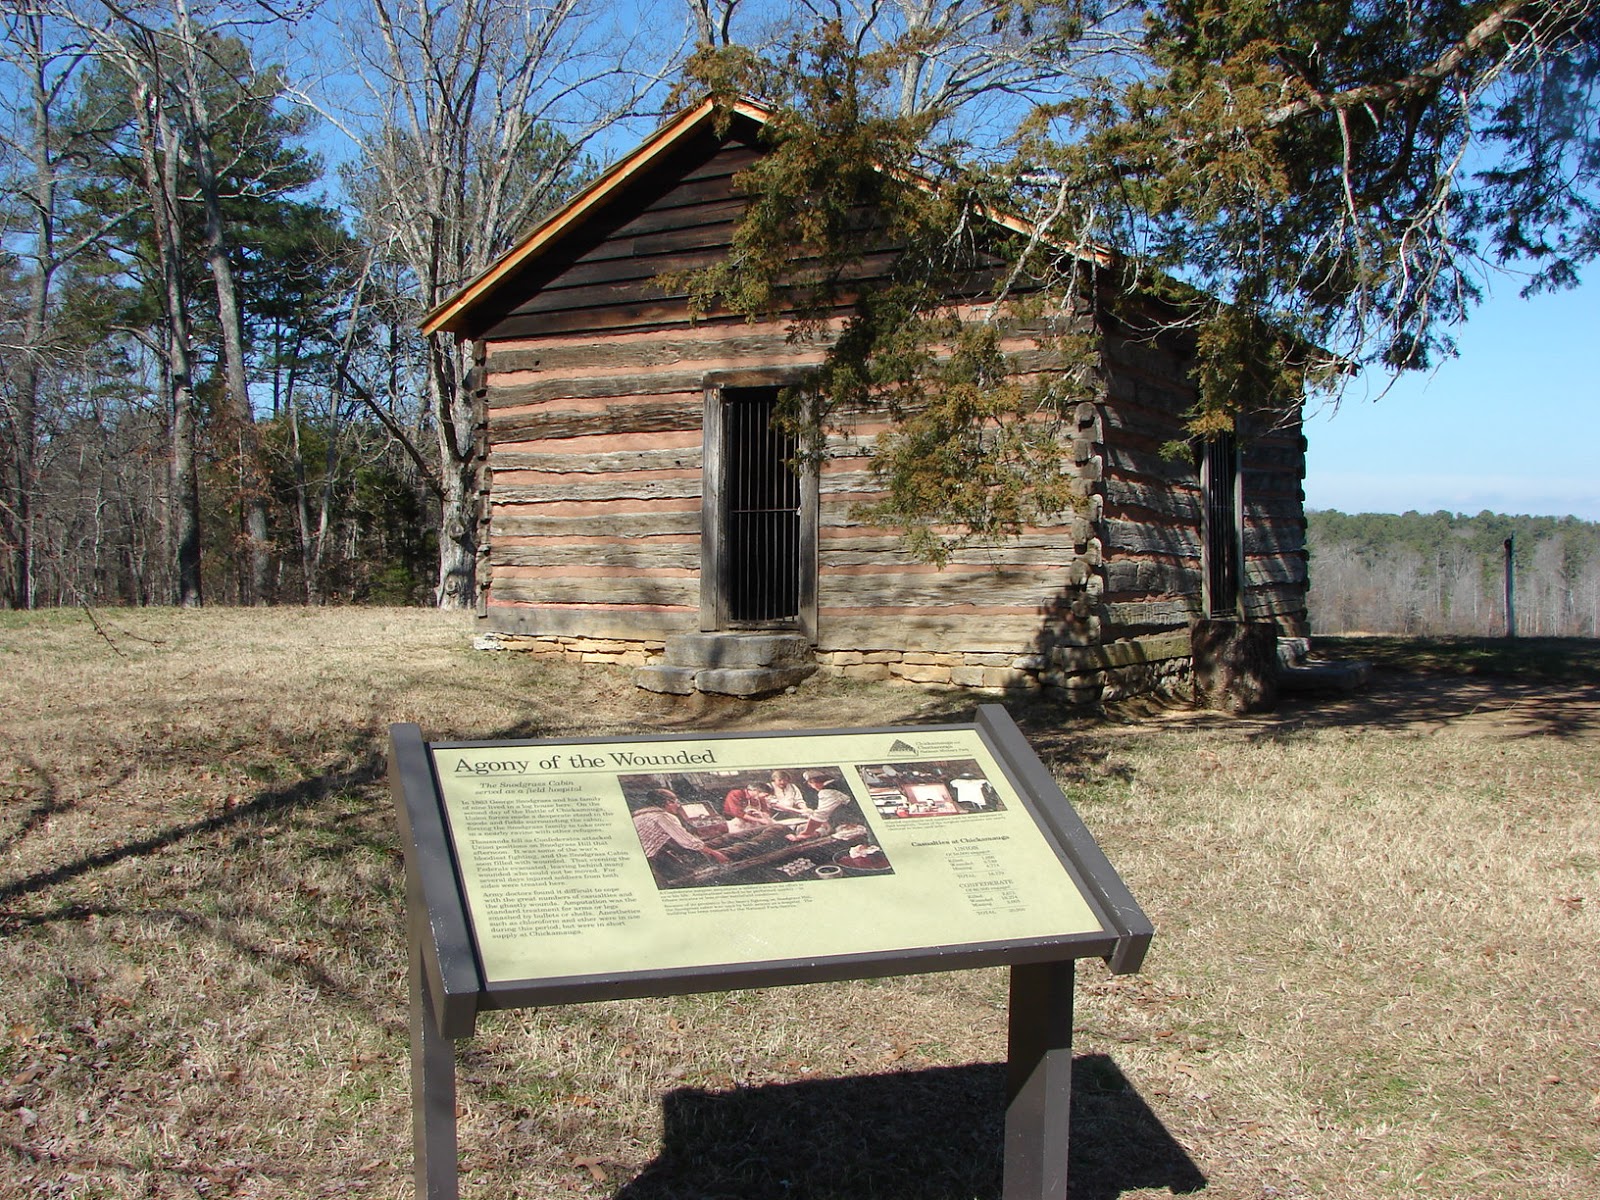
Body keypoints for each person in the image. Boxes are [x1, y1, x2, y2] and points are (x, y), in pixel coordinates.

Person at [632, 789, 730, 882]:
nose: (678, 806)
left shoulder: (640, 815)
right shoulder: (663, 817)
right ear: (668, 803)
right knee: (686, 875)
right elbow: (687, 841)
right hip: (649, 860)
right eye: (677, 802)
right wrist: (715, 853)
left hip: (638, 857)